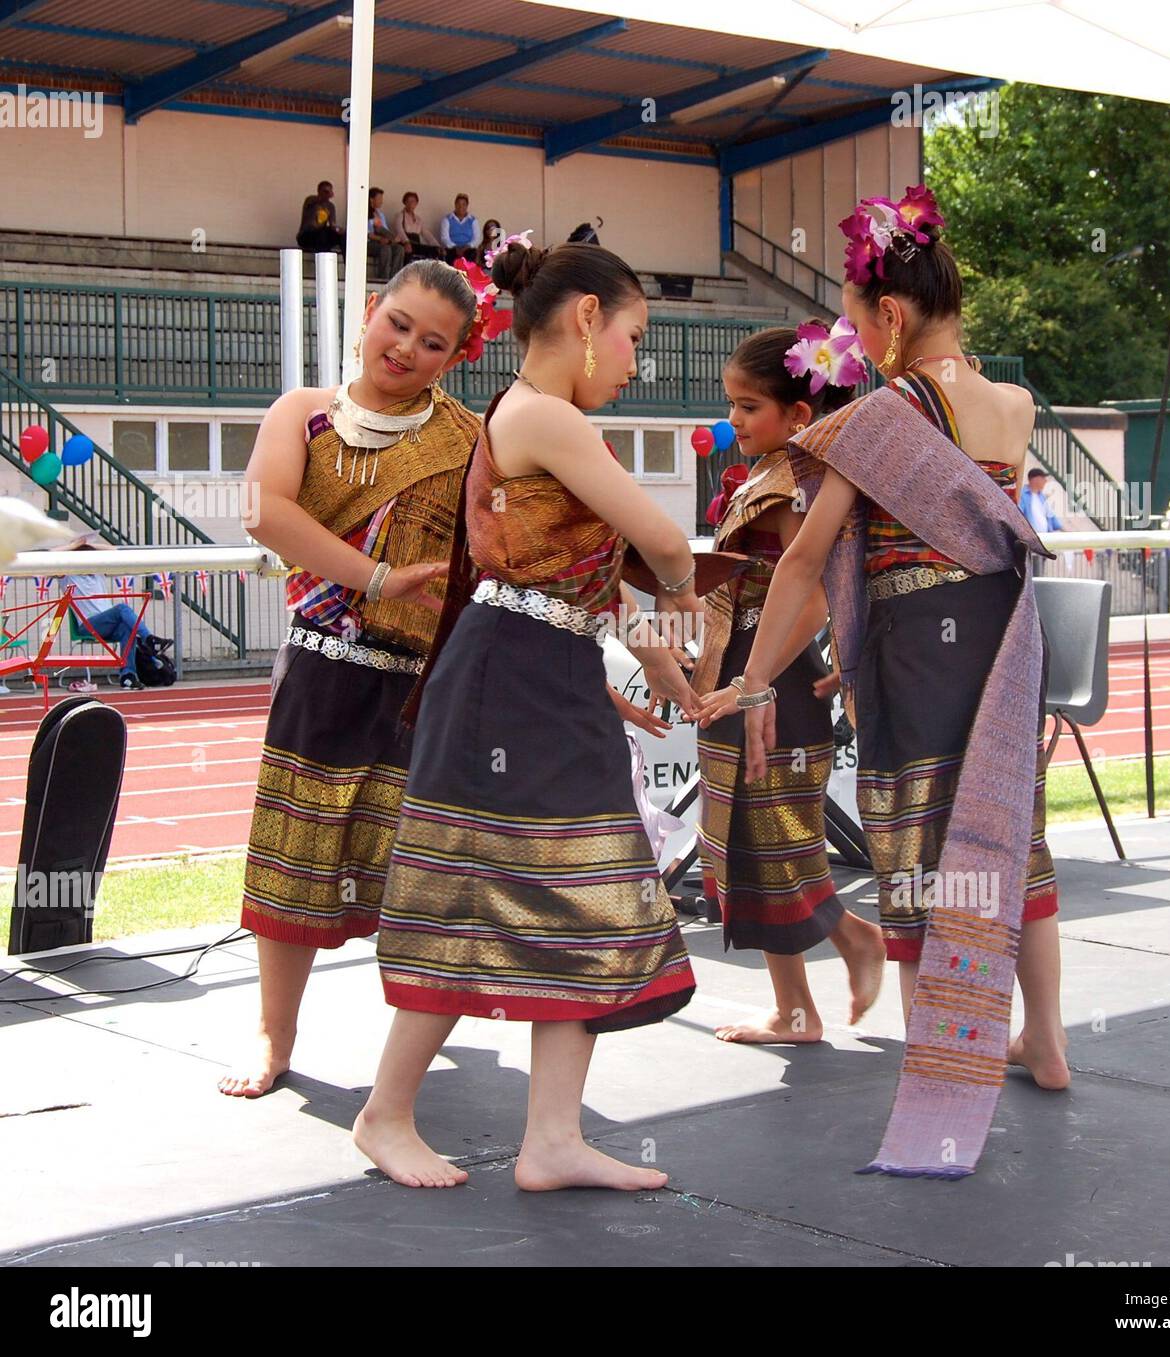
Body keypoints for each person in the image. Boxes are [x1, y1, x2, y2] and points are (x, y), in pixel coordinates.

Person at [708, 186, 1067, 1177]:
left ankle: (939, 1054)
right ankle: (1045, 1038)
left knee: (915, 848)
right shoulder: (1013, 404)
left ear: (893, 317)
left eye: (860, 326)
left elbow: (803, 563)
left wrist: (756, 680)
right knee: (1009, 835)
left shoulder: (887, 412)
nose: (858, 346)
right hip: (1000, 643)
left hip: (919, 646)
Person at [353, 240, 704, 1191]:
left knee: (576, 897)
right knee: (470, 896)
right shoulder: (546, 417)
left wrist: (673, 673)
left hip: (543, 670)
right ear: (587, 319)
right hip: (508, 679)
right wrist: (690, 604)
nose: (639, 361)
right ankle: (384, 1114)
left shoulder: (547, 420)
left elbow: (596, 590)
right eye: (634, 335)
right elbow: (665, 544)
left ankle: (551, 1137)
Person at [219, 260, 484, 1098]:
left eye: (432, 341)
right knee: (296, 854)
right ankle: (275, 1032)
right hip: (326, 671)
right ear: (370, 312)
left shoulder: (472, 441)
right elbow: (265, 511)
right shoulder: (304, 414)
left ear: (455, 357)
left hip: (427, 685)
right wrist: (376, 579)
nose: (406, 347)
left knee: (425, 868)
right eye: (397, 323)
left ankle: (413, 1042)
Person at [693, 326, 887, 1044]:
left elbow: (814, 592)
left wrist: (756, 681)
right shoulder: (774, 473)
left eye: (748, 406)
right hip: (746, 670)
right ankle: (796, 1006)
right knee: (755, 844)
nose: (734, 420)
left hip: (771, 680)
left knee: (776, 843)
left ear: (798, 415)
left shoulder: (795, 482)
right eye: (731, 405)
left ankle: (851, 944)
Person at [60, 535, 154, 690]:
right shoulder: (68, 575)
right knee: (122, 608)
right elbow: (49, 553)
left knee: (128, 629)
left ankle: (128, 676)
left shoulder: (98, 573)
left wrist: (91, 545)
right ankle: (149, 639)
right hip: (88, 624)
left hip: (107, 624)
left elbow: (116, 551)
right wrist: (74, 545)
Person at [1019, 467, 1063, 576]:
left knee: (1039, 572)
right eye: (1043, 478)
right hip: (1030, 542)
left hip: (1043, 543)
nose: (1045, 481)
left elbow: (1051, 517)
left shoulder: (1042, 497)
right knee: (1030, 574)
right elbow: (1019, 514)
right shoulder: (1022, 495)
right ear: (1035, 479)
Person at [367, 188, 405, 281]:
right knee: (386, 249)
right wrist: (380, 239)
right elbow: (367, 234)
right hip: (369, 243)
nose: (381, 201)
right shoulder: (364, 212)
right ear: (371, 199)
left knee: (399, 249)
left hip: (381, 241)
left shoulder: (380, 214)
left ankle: (395, 279)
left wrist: (394, 238)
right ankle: (383, 278)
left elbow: (384, 230)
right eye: (379, 198)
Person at [297, 180, 344, 254]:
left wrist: (339, 230)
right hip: (306, 235)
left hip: (321, 236)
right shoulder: (310, 200)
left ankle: (348, 262)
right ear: (319, 191)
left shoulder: (331, 206)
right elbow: (316, 200)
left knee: (341, 236)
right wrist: (324, 197)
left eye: (329, 191)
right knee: (322, 234)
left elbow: (332, 225)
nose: (327, 194)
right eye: (325, 191)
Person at [394, 192, 443, 261]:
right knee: (408, 252)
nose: (411, 204)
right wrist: (406, 242)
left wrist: (437, 245)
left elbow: (427, 234)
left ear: (416, 203)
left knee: (435, 250)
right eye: (408, 201)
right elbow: (399, 229)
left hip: (415, 243)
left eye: (413, 201)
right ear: (404, 203)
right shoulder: (400, 215)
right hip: (404, 243)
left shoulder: (418, 219)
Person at [439, 193, 480, 262]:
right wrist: (456, 248)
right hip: (452, 249)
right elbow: (444, 238)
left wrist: (466, 247)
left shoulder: (473, 220)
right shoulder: (447, 219)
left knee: (474, 255)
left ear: (467, 205)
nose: (461, 207)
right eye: (458, 204)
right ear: (455, 204)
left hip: (468, 249)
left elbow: (476, 238)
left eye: (463, 204)